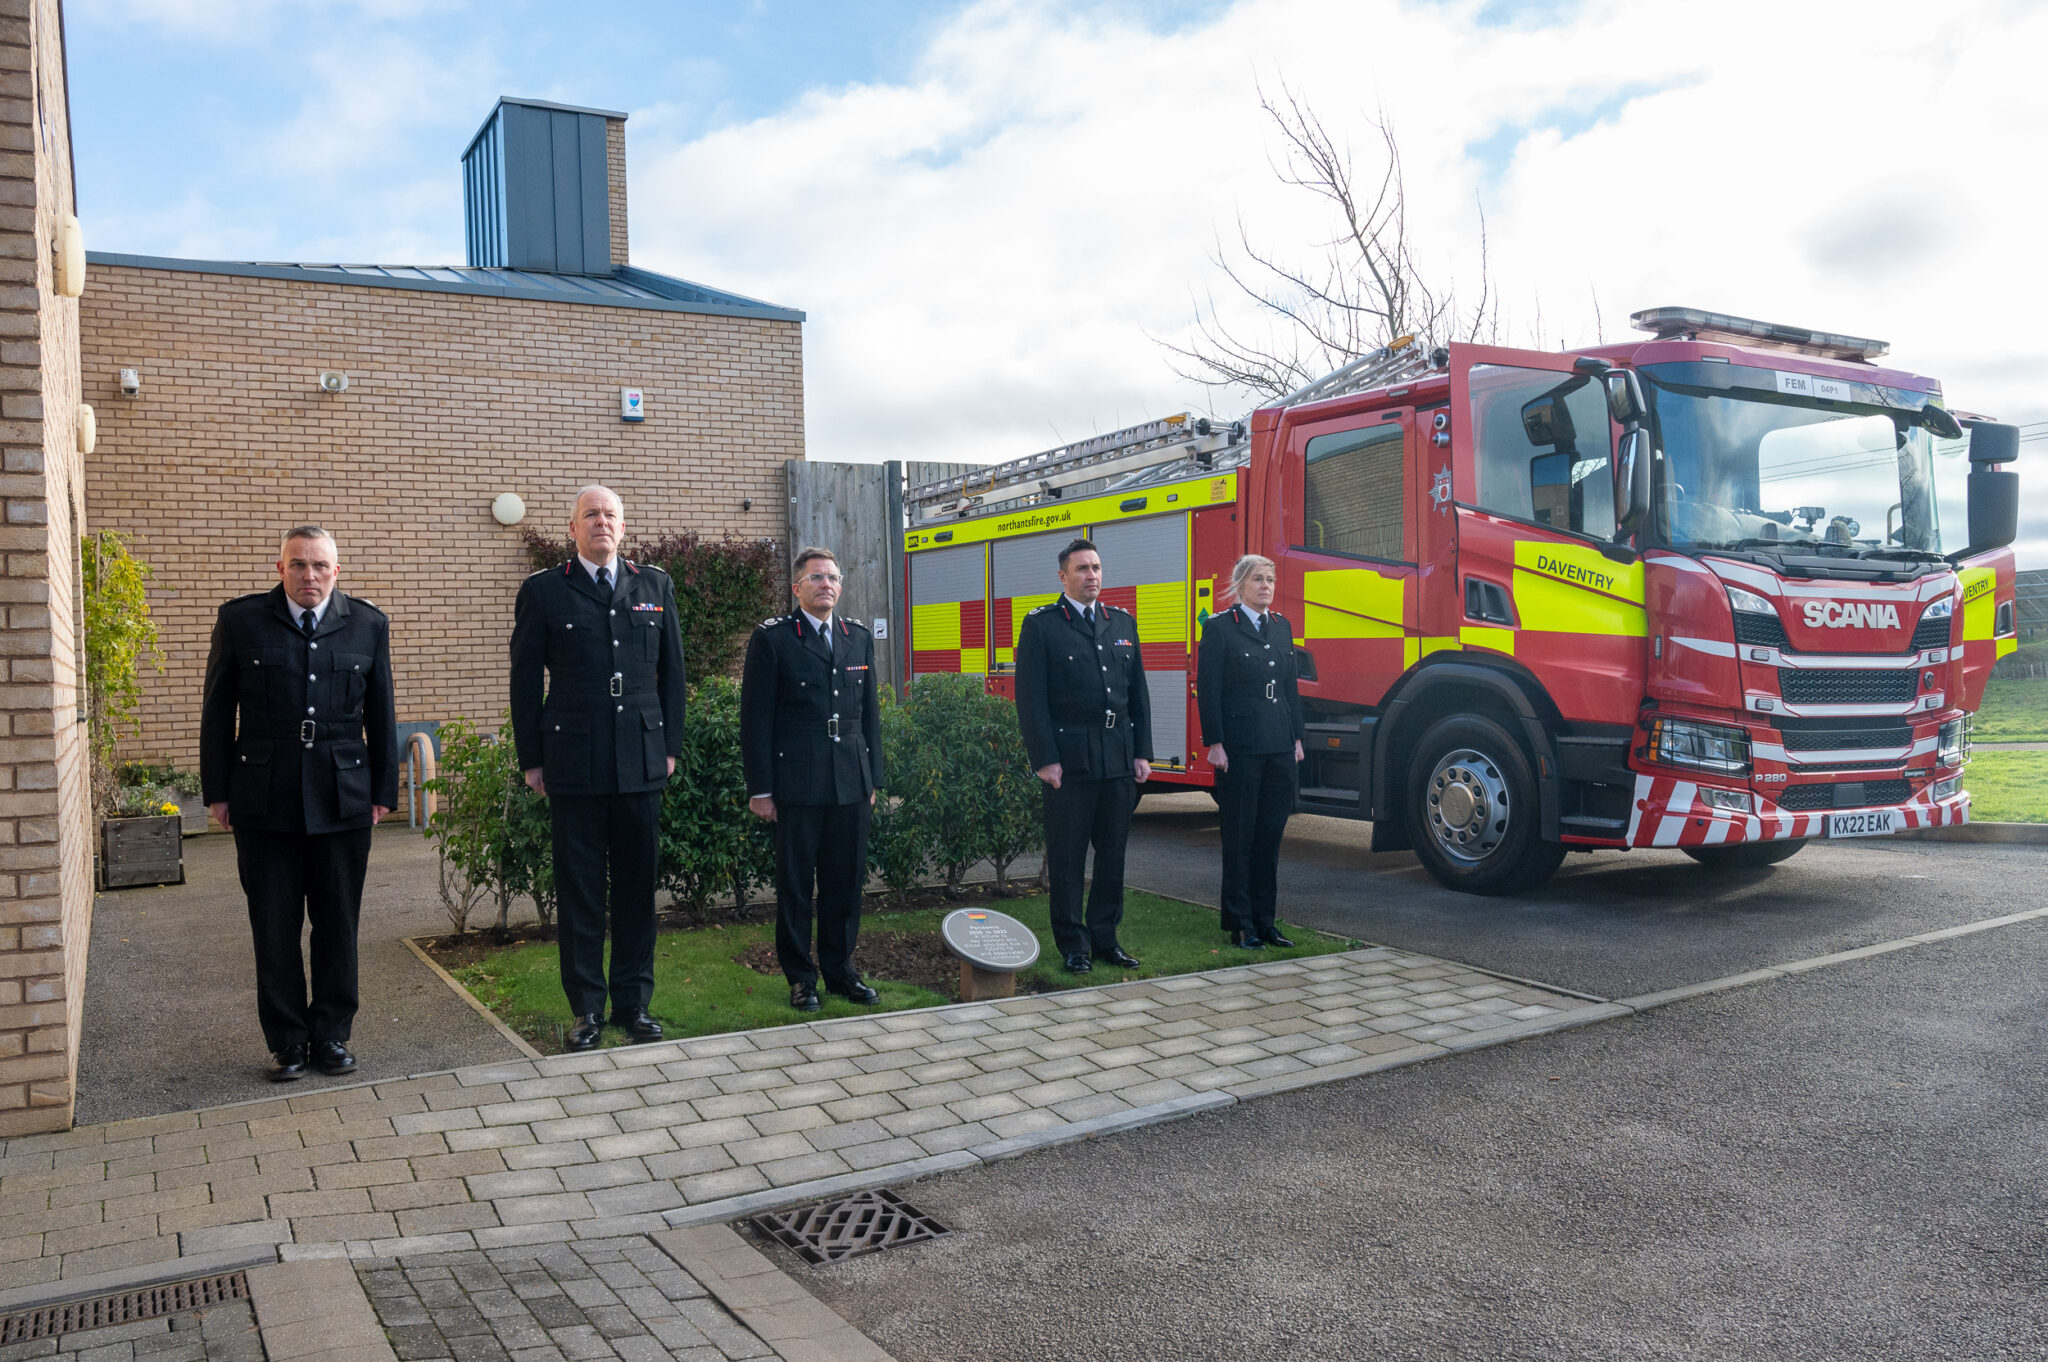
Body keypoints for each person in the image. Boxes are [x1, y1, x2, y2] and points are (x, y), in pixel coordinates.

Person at [200, 526, 397, 1081]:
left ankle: (331, 1035)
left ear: (337, 571)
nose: (309, 576)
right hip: (264, 800)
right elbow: (217, 712)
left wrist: (384, 791)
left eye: (320, 566)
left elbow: (381, 714)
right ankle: (287, 1041)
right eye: (298, 565)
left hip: (343, 799)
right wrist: (217, 790)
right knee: (274, 924)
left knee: (338, 922)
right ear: (279, 568)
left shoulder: (367, 624)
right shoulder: (241, 621)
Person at [509, 485, 686, 1050]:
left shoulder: (653, 585)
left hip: (639, 757)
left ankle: (635, 1005)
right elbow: (522, 681)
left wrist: (670, 747)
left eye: (610, 515)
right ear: (573, 527)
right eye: (591, 515)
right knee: (580, 890)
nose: (601, 523)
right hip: (574, 760)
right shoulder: (543, 591)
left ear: (622, 526)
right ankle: (586, 1010)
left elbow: (672, 676)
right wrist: (532, 759)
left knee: (637, 889)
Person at [741, 547, 884, 1012]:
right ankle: (801, 977)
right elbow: (756, 719)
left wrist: (873, 777)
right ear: (797, 587)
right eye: (816, 577)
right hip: (797, 781)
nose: (827, 584)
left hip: (849, 780)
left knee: (845, 882)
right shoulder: (775, 639)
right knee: (797, 885)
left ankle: (841, 970)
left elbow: (869, 716)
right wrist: (760, 789)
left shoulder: (856, 637)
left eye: (833, 577)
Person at [1014, 537, 1151, 974]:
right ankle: (1074, 945)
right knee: (1069, 856)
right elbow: (1031, 700)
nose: (1091, 576)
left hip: (1117, 757)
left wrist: (1142, 753)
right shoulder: (1042, 625)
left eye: (1096, 568)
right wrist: (1044, 759)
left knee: (1113, 856)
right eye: (1081, 569)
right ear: (1063, 576)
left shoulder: (1122, 622)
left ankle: (1106, 938)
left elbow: (1138, 696)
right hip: (1069, 762)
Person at [1196, 554, 1305, 949]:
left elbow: (1290, 688)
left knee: (1270, 837)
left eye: (1271, 580)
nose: (1266, 586)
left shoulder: (1281, 627)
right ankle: (1240, 923)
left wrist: (1296, 738)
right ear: (1240, 585)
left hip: (1278, 744)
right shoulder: (1222, 629)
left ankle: (1266, 920)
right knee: (1240, 837)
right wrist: (1216, 743)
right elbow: (1208, 690)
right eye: (1258, 579)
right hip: (1240, 748)